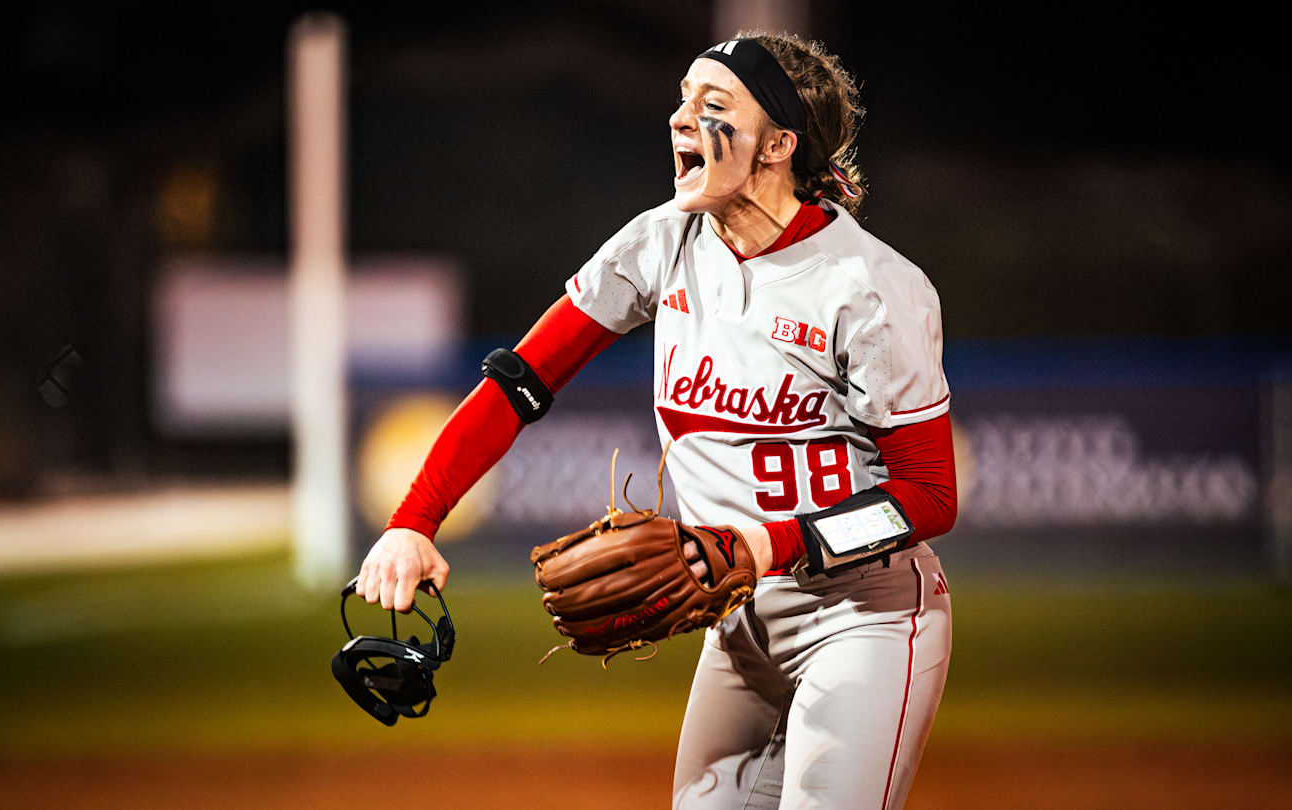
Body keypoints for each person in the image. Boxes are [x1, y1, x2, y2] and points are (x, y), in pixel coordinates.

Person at [356, 30, 956, 809]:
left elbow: (930, 496)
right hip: (739, 624)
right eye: (681, 98)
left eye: (711, 106)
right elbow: (519, 383)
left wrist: (762, 543)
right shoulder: (662, 241)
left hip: (862, 616)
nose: (679, 119)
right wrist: (414, 520)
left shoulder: (869, 285)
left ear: (778, 143)